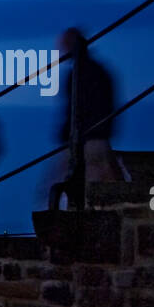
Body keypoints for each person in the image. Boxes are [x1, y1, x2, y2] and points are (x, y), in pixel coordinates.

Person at [56, 27, 122, 195]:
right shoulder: (96, 70)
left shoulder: (81, 73)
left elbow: (78, 107)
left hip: (88, 139)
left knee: (84, 188)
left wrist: (68, 132)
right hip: (94, 136)